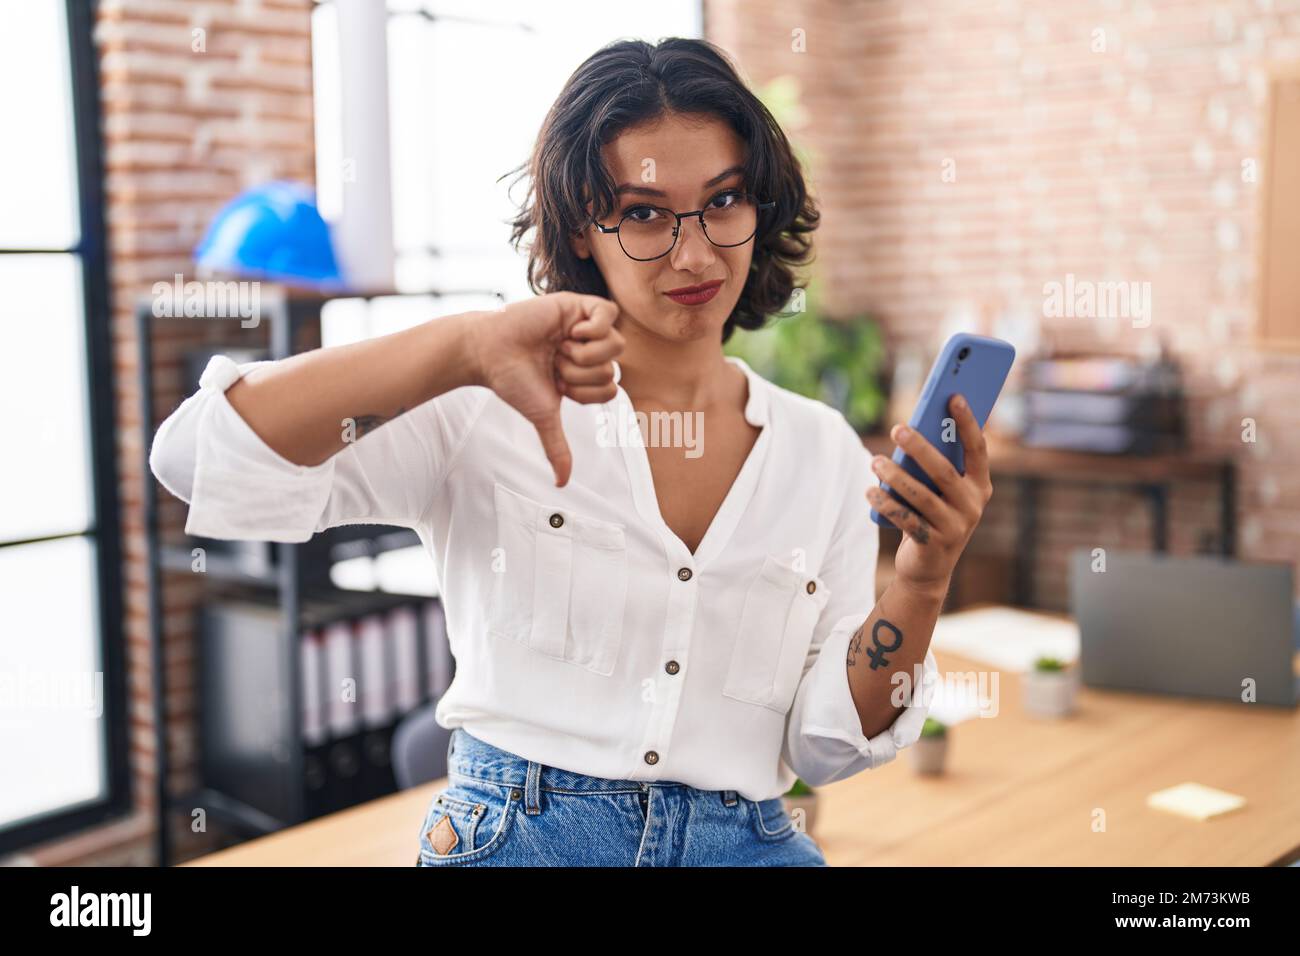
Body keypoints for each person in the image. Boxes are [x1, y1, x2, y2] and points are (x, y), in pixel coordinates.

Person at [149, 37, 993, 867]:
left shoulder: (822, 452)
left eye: (725, 200)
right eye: (644, 213)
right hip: (519, 839)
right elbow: (198, 461)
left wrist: (920, 580)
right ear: (584, 229)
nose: (695, 254)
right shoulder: (485, 405)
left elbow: (825, 747)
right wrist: (461, 348)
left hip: (751, 843)